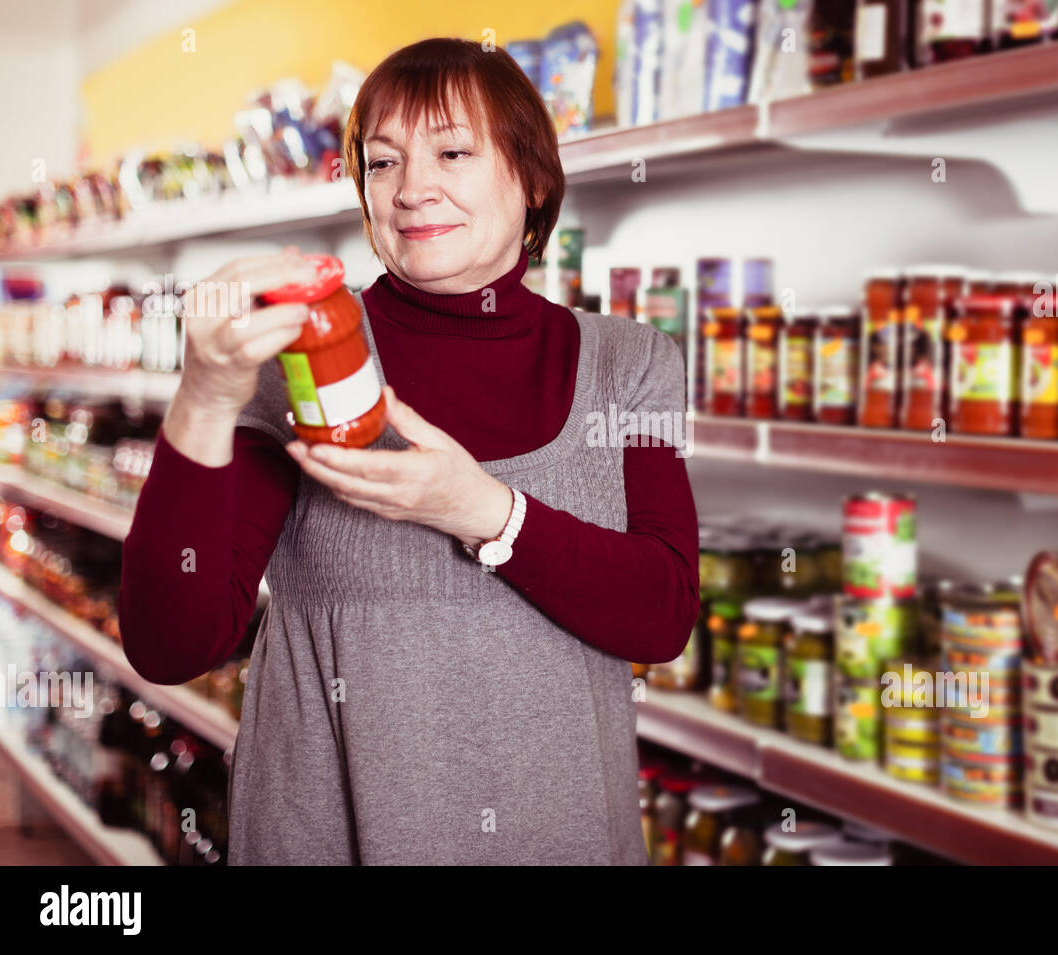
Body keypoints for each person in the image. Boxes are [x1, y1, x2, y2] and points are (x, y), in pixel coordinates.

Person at [118, 37, 699, 865]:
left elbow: (663, 610)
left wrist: (482, 512)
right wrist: (207, 395)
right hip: (329, 837)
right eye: (383, 163)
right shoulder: (304, 358)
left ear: (533, 178)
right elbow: (168, 643)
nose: (413, 189)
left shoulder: (633, 362)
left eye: (453, 152)